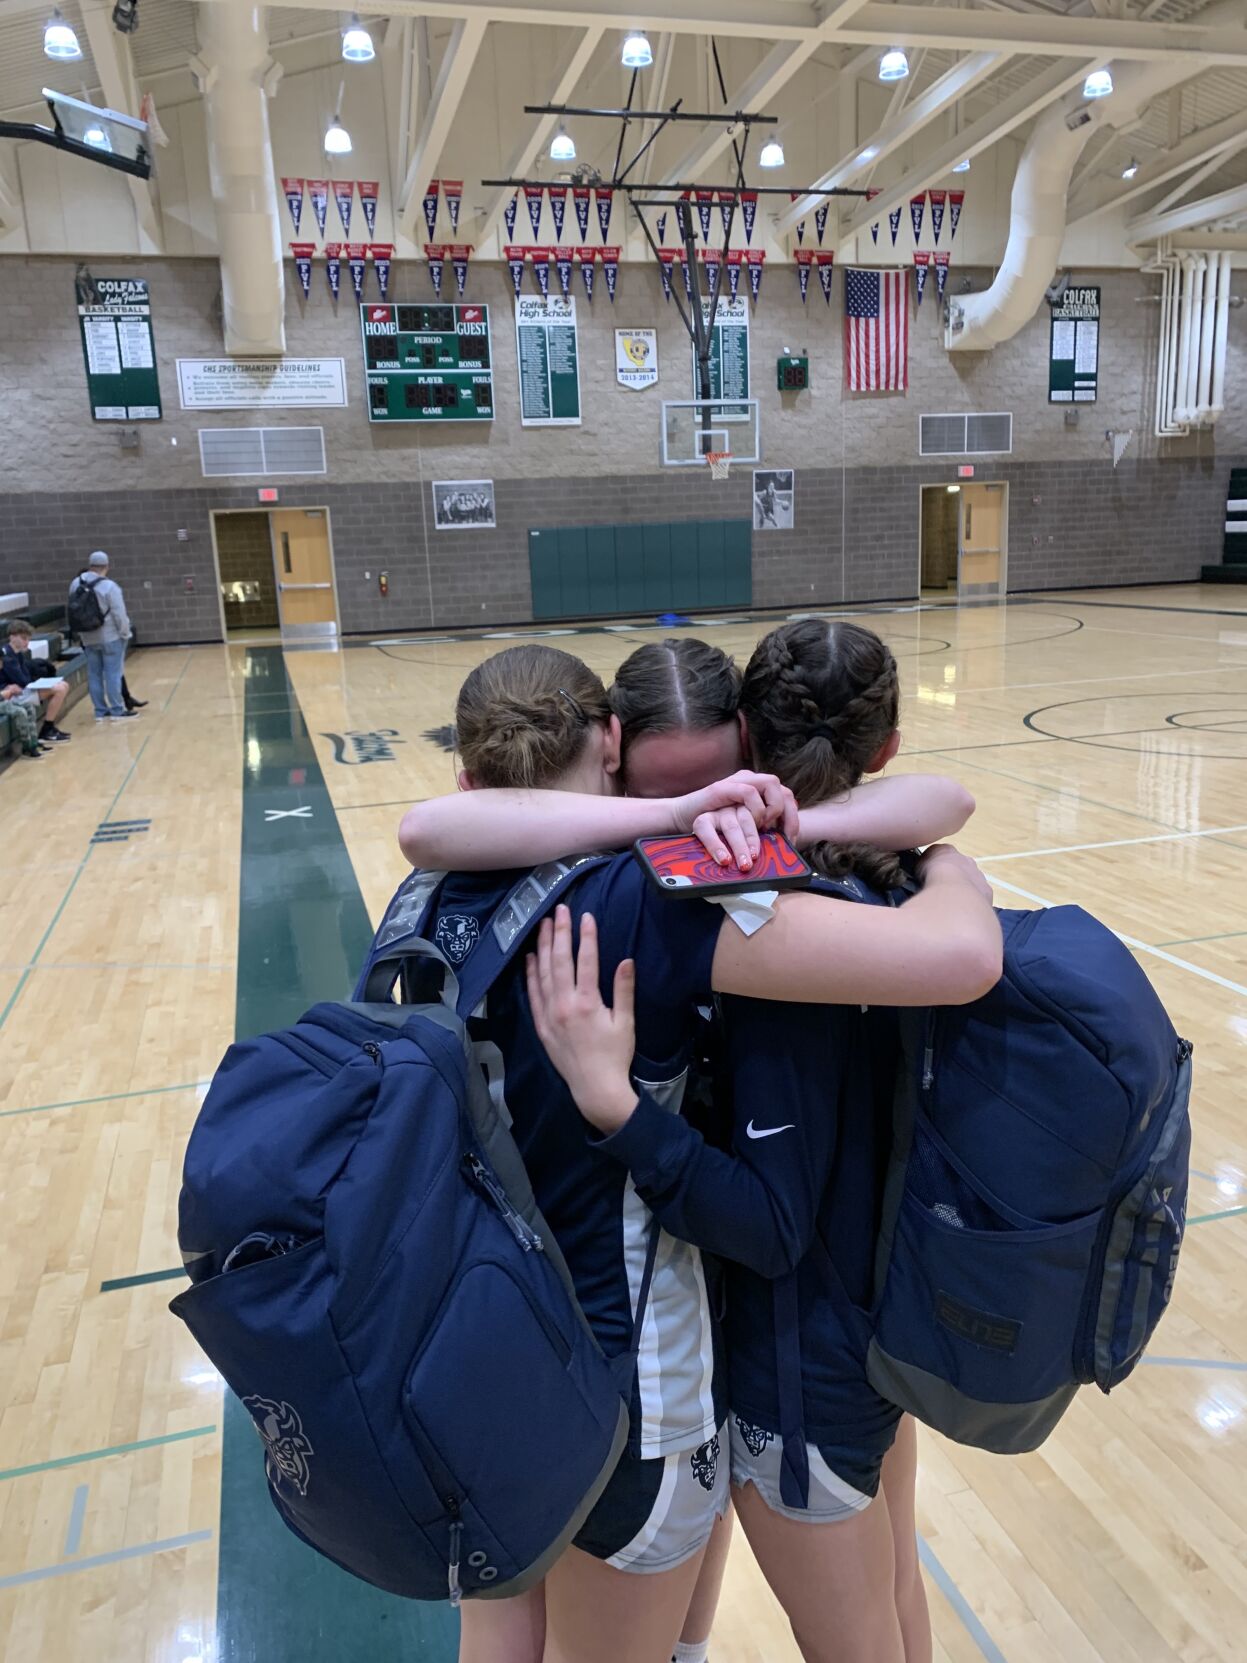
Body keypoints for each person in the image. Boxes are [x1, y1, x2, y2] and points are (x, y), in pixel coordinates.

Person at [397, 643, 999, 1663]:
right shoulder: (649, 898)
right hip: (642, 1367)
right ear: (613, 746)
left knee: (512, 1619)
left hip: (487, 1342)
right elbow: (959, 943)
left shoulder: (419, 903)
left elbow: (423, 826)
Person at [530, 622, 939, 1663]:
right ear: (612, 757)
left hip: (796, 1351)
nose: (702, 828)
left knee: (871, 1613)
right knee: (884, 1594)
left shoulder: (771, 914)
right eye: (666, 802)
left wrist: (620, 1112)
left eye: (719, 791)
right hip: (800, 1331)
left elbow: (767, 1219)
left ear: (754, 752)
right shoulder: (625, 896)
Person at [68, 550, 136, 722]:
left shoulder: (76, 583)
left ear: (90, 565)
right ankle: (117, 709)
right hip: (110, 636)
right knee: (113, 673)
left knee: (94, 674)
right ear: (107, 566)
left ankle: (100, 711)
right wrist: (125, 633)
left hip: (87, 637)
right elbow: (119, 614)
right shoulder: (110, 586)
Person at [2, 620, 71, 744]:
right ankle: (47, 729)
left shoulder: (17, 654)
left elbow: (26, 679)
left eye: (28, 639)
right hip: (10, 695)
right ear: (12, 637)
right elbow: (23, 680)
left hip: (20, 690)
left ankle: (49, 727)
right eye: (23, 639)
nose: (27, 643)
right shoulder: (7, 657)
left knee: (64, 685)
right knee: (60, 689)